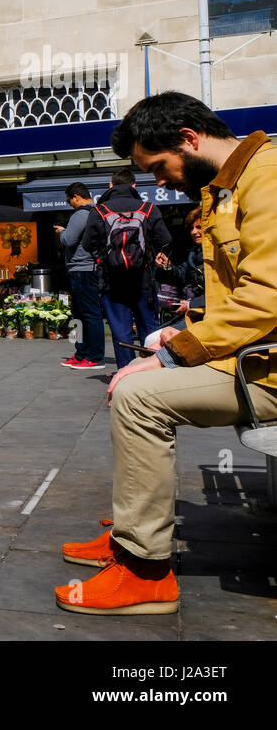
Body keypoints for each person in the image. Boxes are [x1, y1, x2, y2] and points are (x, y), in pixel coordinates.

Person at [57, 91, 277, 615]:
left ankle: (145, 570)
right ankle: (131, 537)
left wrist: (173, 354)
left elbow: (268, 294)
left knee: (138, 396)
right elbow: (236, 292)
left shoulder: (267, 178)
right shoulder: (229, 185)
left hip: (266, 370)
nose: (158, 181)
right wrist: (176, 331)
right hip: (253, 357)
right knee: (132, 383)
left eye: (158, 166)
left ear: (189, 139)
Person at [82, 167, 172, 373]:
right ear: (134, 186)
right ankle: (153, 371)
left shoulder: (100, 211)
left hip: (112, 282)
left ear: (111, 186)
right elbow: (166, 239)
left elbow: (87, 244)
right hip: (144, 280)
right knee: (149, 330)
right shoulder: (148, 208)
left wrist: (106, 255)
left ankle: (126, 373)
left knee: (121, 332)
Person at [53, 182, 105, 370]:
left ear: (76, 196)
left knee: (88, 314)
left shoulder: (81, 214)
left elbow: (68, 240)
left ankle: (94, 356)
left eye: (70, 201)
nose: (70, 204)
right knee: (81, 314)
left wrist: (62, 231)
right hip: (87, 268)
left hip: (82, 269)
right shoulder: (98, 212)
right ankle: (82, 352)